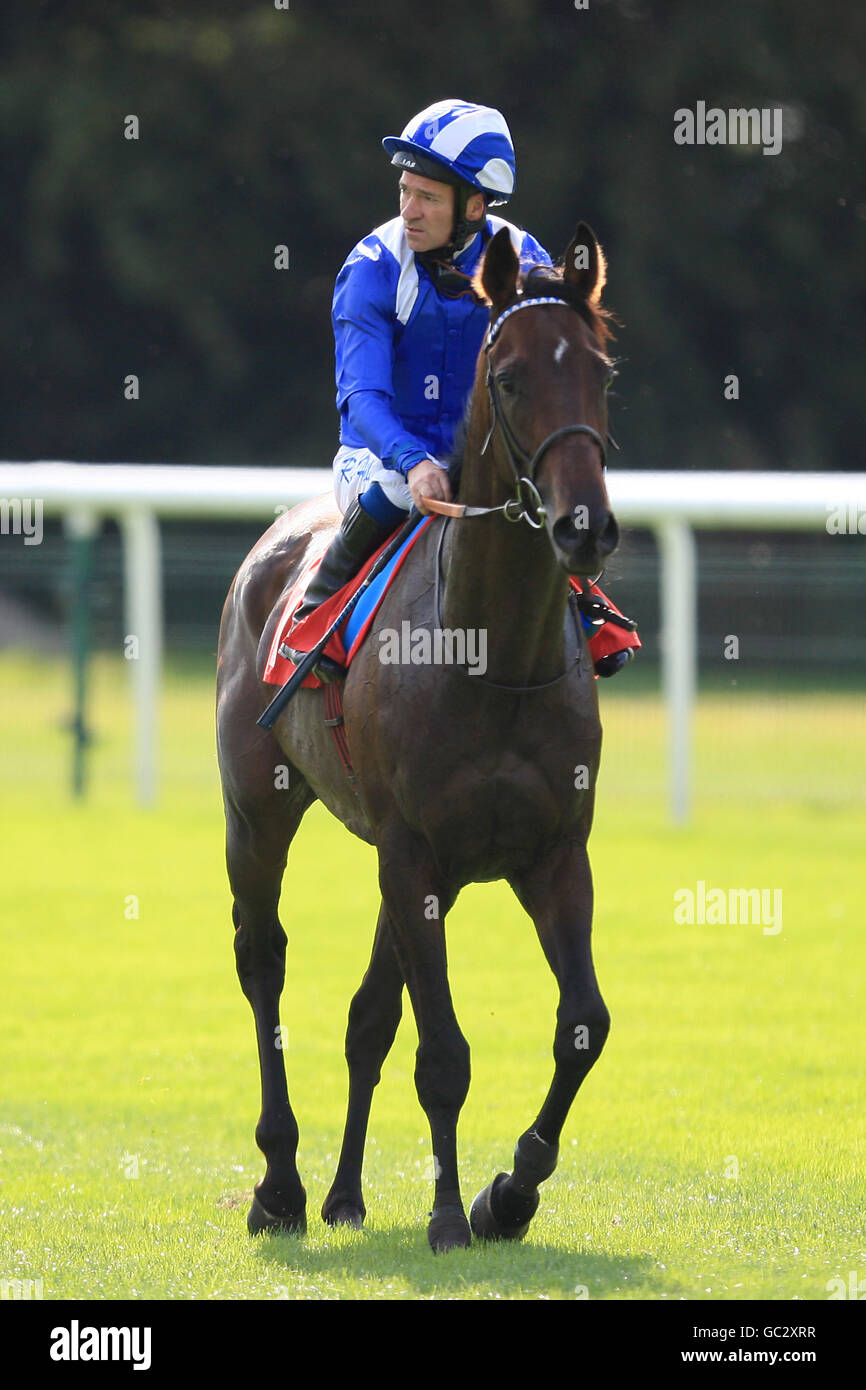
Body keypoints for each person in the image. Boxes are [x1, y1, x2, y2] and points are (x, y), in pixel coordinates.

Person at [287, 98, 636, 681]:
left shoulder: (524, 259)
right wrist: (415, 460)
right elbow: (361, 398)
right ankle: (315, 612)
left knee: (533, 502)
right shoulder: (373, 264)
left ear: (474, 206)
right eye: (405, 190)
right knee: (397, 491)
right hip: (379, 459)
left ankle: (584, 598)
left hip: (481, 458)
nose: (408, 210)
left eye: (428, 197)